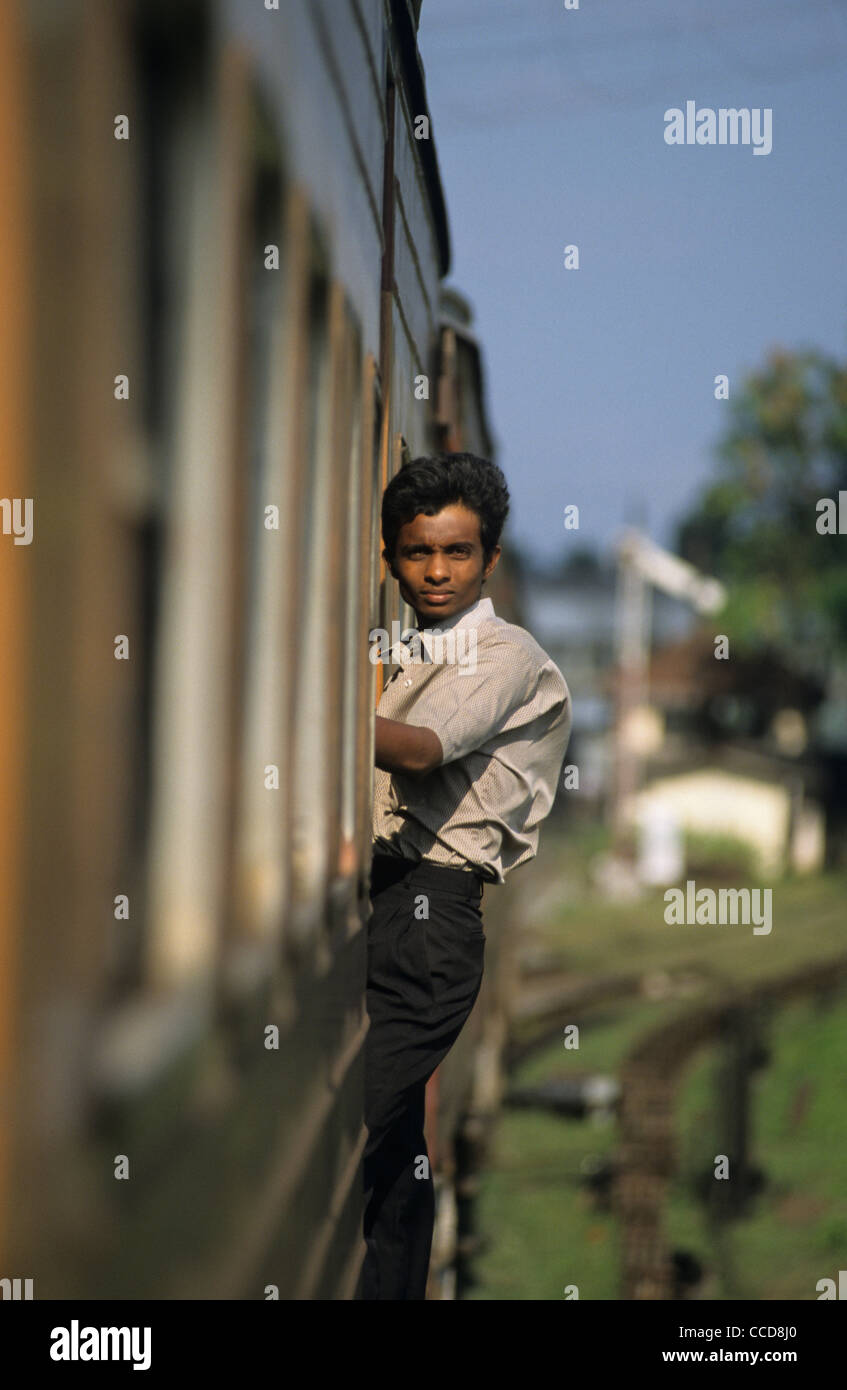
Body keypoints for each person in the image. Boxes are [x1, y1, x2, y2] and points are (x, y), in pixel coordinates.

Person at [361, 452, 571, 1300]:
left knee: (356, 1127)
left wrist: (291, 693)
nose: (436, 571)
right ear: (390, 558)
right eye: (417, 553)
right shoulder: (414, 650)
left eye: (457, 552)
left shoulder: (503, 652)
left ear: (490, 560)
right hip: (389, 900)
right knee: (396, 1160)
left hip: (430, 921)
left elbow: (418, 750)